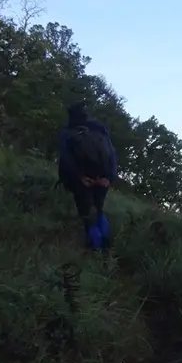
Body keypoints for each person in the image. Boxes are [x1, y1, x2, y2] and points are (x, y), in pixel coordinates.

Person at [58, 102, 118, 251]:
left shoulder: (67, 132)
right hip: (102, 177)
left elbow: (66, 159)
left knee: (86, 212)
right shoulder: (100, 130)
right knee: (99, 209)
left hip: (82, 179)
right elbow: (112, 155)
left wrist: (79, 177)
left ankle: (95, 249)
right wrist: (109, 178)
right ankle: (106, 247)